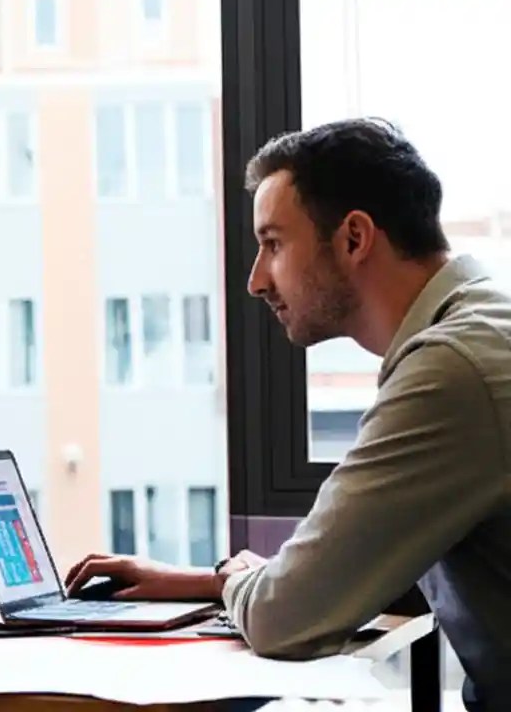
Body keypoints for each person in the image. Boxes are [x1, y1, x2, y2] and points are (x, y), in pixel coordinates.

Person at [64, 117, 511, 710]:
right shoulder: (476, 332)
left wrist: (249, 585)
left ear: (354, 239)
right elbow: (381, 566)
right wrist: (213, 581)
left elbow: (284, 619)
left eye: (273, 243)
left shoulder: (451, 371)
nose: (254, 280)